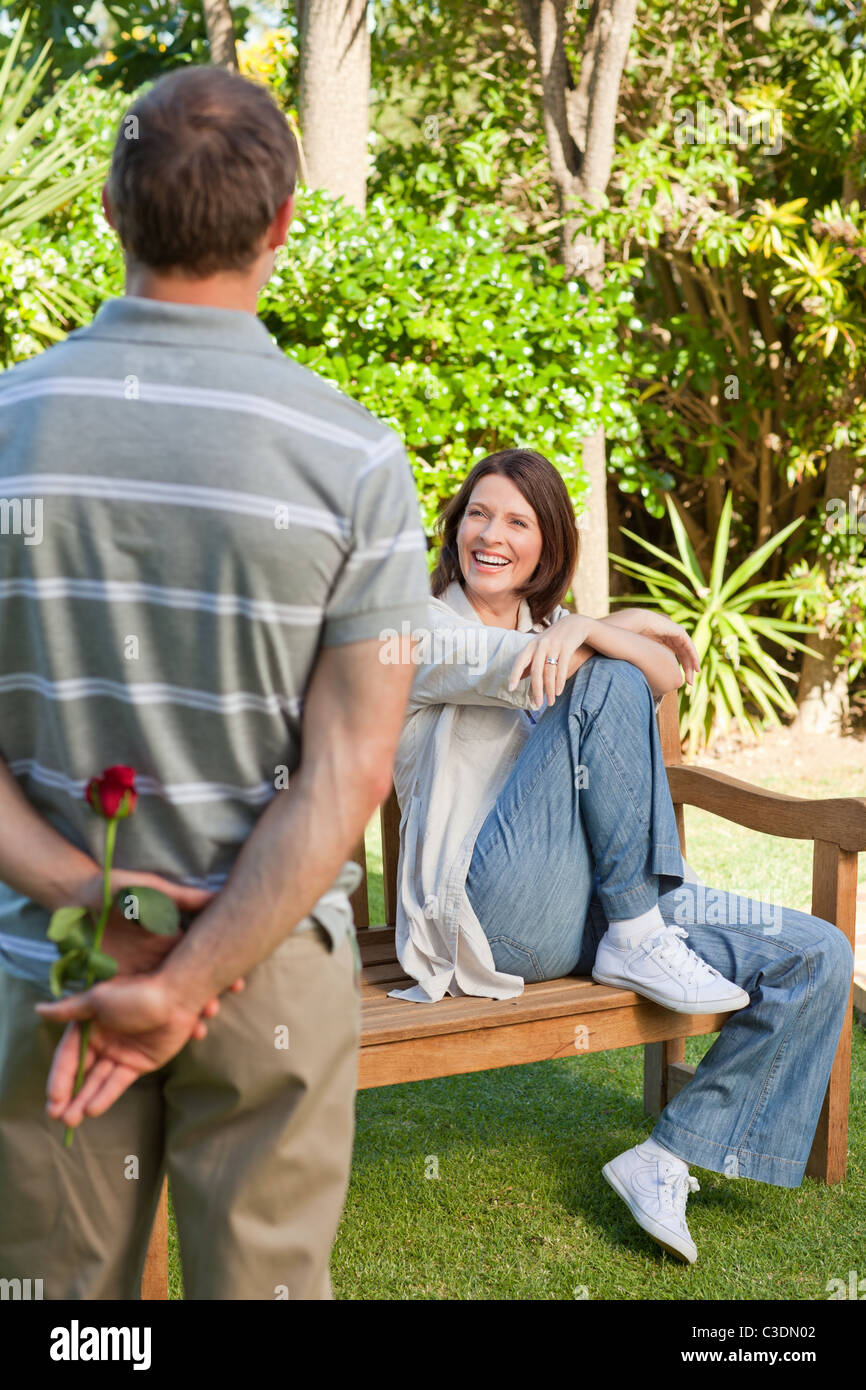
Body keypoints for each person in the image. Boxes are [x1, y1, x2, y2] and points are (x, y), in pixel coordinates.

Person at [0, 65, 431, 1299]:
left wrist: (100, 903)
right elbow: (346, 774)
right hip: (271, 971)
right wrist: (190, 978)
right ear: (283, 224)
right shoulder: (353, 459)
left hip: (54, 966)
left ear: (108, 205)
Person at [389, 447, 854, 1265]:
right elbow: (603, 669)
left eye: (518, 522)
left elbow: (678, 664)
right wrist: (602, 630)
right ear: (455, 528)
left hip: (598, 906)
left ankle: (665, 1155)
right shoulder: (419, 628)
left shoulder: (555, 634)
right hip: (492, 918)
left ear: (549, 544)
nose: (491, 536)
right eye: (477, 515)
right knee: (606, 678)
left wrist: (589, 626)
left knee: (818, 953)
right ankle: (641, 937)